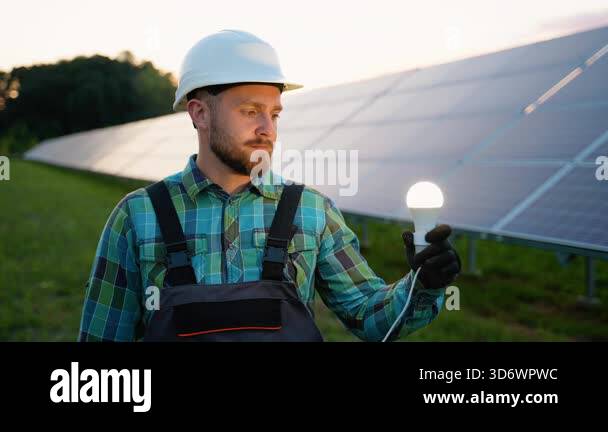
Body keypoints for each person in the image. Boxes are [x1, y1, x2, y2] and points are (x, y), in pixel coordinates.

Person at [78, 29, 461, 342]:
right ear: (199, 113)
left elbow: (370, 318)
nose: (268, 129)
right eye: (249, 111)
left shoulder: (310, 211)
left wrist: (423, 283)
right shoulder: (138, 216)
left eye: (274, 113)